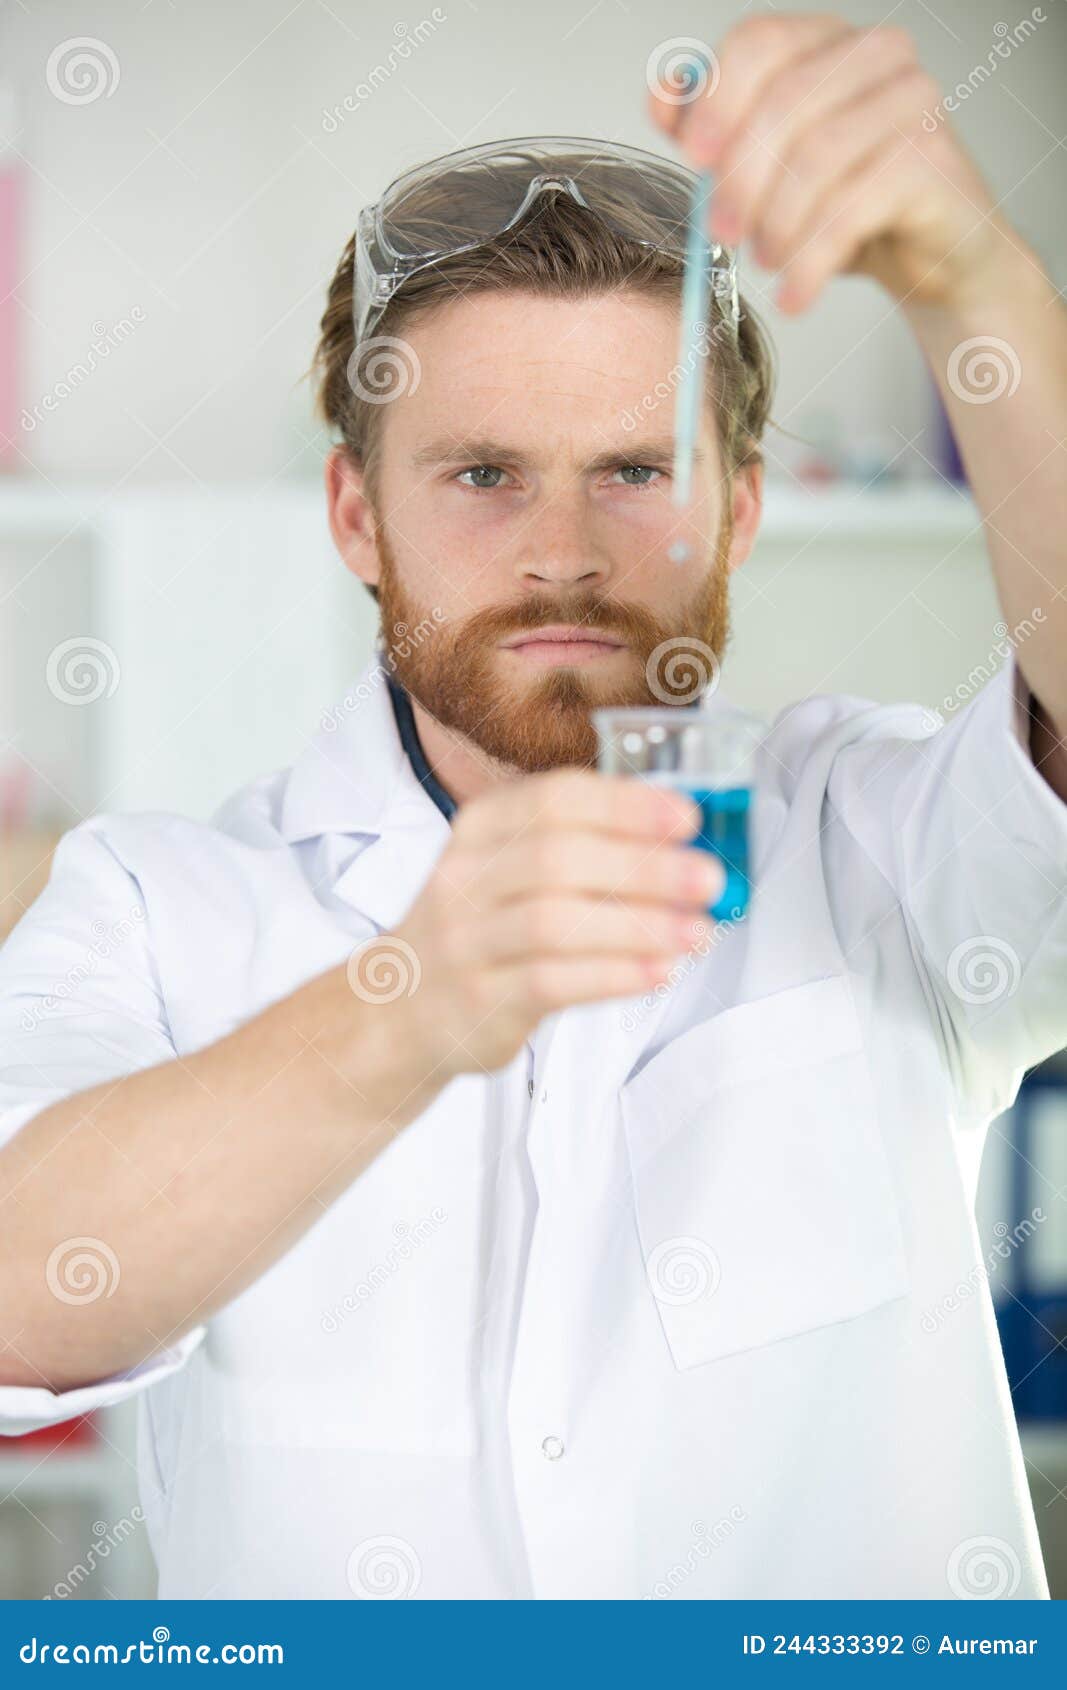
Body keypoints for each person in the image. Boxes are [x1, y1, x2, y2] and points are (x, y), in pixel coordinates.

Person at [1, 13, 1065, 1600]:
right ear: (357, 512)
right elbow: (26, 1289)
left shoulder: (870, 839)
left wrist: (980, 287)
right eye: (483, 473)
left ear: (744, 508)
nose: (563, 549)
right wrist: (413, 1002)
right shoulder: (159, 906)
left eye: (636, 469)